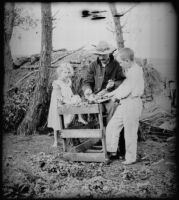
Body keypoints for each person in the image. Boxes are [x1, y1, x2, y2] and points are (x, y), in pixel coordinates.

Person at [103, 48, 144, 164]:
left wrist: (113, 97)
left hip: (132, 103)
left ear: (127, 60)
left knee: (130, 132)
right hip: (125, 103)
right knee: (112, 125)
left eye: (121, 62)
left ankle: (131, 158)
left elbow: (125, 91)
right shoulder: (130, 70)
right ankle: (112, 150)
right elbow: (123, 87)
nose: (120, 65)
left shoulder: (136, 71)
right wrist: (109, 93)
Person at [82, 41, 125, 123]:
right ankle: (94, 131)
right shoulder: (93, 65)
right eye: (99, 55)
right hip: (95, 96)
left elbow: (122, 81)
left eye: (104, 55)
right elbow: (86, 81)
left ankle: (110, 131)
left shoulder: (117, 65)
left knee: (114, 106)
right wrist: (87, 89)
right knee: (82, 105)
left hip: (110, 96)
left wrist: (114, 84)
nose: (101, 58)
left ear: (109, 53)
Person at [47, 62, 87, 147]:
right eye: (65, 72)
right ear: (60, 72)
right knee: (56, 122)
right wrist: (64, 100)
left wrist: (72, 97)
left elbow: (70, 92)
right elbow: (58, 96)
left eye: (68, 72)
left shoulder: (68, 81)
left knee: (77, 99)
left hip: (67, 99)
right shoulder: (57, 83)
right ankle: (56, 141)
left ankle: (80, 117)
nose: (67, 74)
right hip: (58, 103)